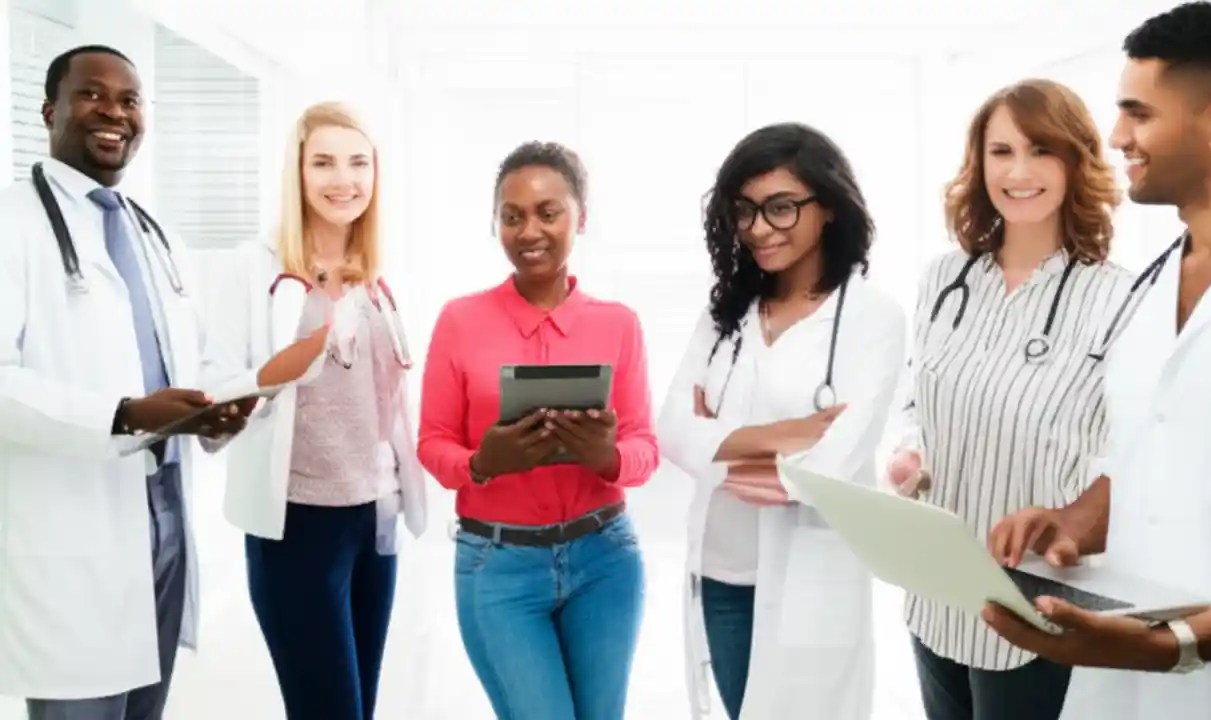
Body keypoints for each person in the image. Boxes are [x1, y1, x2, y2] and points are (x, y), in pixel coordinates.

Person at [983, 4, 1211, 720]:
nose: (1116, 137)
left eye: (1137, 114)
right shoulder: (1147, 290)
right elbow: (1153, 453)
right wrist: (1073, 522)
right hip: (1121, 688)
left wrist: (1169, 646)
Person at [0, 45, 252, 719]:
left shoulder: (149, 227)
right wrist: (126, 413)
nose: (114, 111)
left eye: (130, 100)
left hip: (165, 509)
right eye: (92, 95)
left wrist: (226, 404)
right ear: (50, 110)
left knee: (145, 707)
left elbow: (193, 348)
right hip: (73, 524)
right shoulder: (11, 223)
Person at [884, 79, 1133, 719]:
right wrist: (910, 452)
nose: (1019, 172)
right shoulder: (945, 278)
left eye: (1041, 151)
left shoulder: (1121, 299)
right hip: (937, 589)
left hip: (1038, 600)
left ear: (1077, 162)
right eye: (1001, 152)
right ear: (979, 162)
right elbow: (917, 398)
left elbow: (1127, 453)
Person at [656, 122, 906, 720]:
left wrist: (721, 439)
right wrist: (779, 437)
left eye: (781, 208)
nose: (759, 228)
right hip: (722, 570)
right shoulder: (727, 313)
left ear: (829, 208)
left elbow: (835, 458)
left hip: (810, 576)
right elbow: (672, 431)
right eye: (745, 211)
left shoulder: (871, 317)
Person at [417, 140, 659, 720]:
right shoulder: (460, 320)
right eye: (512, 215)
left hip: (605, 559)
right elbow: (432, 442)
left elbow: (644, 446)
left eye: (548, 212)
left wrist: (608, 458)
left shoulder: (618, 323)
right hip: (498, 566)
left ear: (580, 217)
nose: (530, 231)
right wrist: (481, 464)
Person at [207, 101, 427, 720]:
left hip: (373, 518)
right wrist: (286, 366)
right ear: (297, 172)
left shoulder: (376, 276)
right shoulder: (255, 269)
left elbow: (388, 397)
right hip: (297, 521)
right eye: (323, 162)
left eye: (359, 162)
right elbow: (218, 388)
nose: (343, 179)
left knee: (360, 706)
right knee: (326, 709)